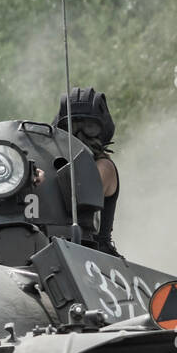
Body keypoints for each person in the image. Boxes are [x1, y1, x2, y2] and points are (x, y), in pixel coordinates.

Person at [53, 87, 120, 254]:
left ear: (102, 130)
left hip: (94, 253)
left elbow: (81, 192)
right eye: (72, 126)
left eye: (89, 127)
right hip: (56, 245)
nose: (80, 134)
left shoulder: (104, 166)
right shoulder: (53, 163)